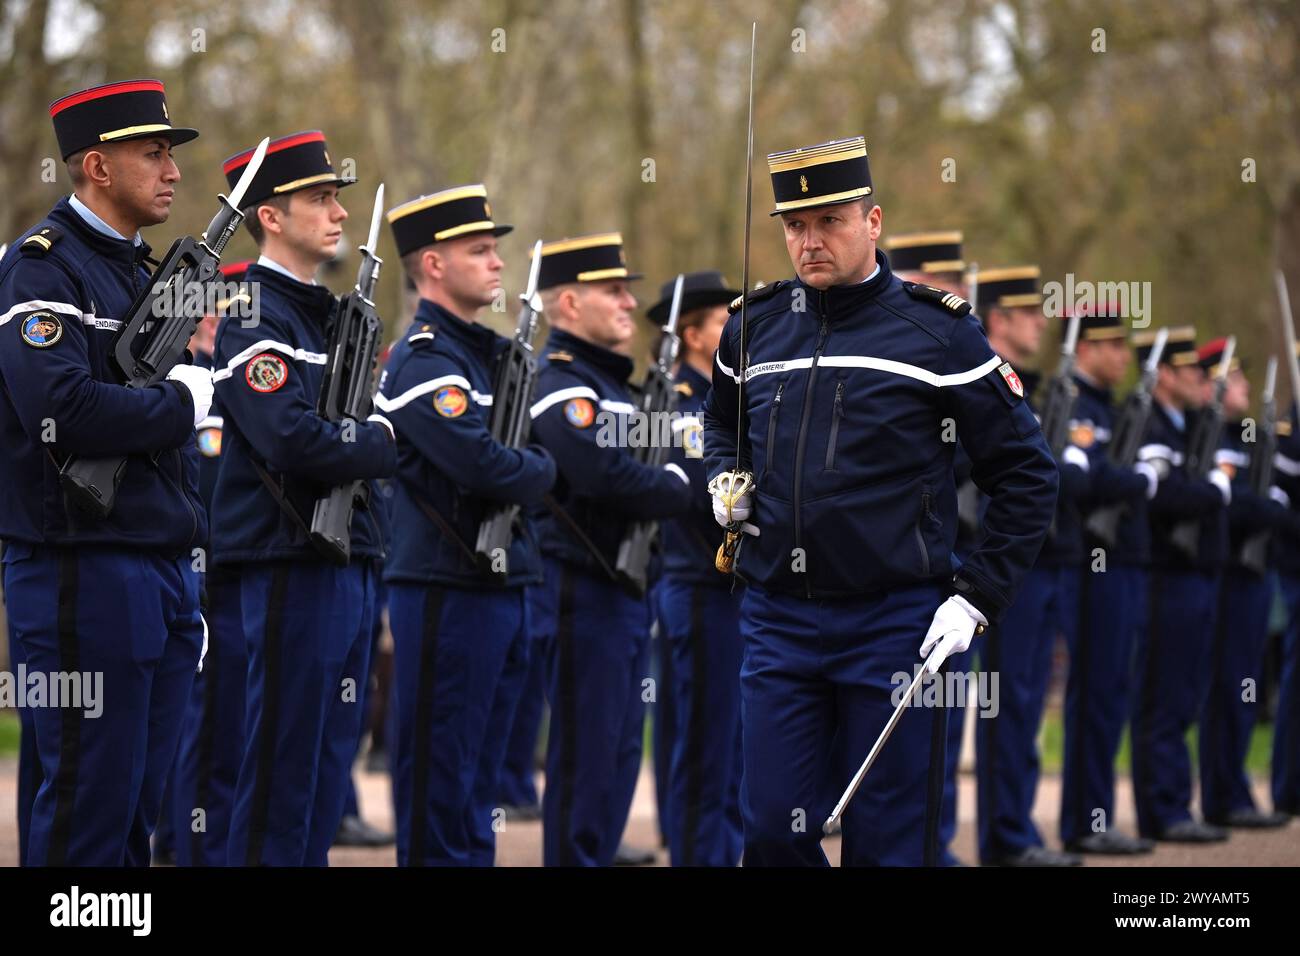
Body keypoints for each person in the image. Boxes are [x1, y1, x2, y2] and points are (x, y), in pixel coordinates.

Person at [702, 136, 1058, 866]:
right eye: (794, 226)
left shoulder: (941, 333)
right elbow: (721, 426)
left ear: (873, 222)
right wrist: (720, 480)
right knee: (772, 830)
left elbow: (1025, 471)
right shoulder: (752, 327)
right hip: (777, 617)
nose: (809, 242)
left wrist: (977, 596)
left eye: (829, 221)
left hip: (894, 623)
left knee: (890, 840)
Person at [0, 79, 212, 866]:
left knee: (136, 812)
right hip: (80, 568)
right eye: (153, 153)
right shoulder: (42, 270)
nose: (173, 171)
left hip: (152, 568)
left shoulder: (135, 274)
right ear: (96, 165)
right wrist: (182, 402)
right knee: (88, 809)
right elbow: (60, 410)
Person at [213, 130, 397, 866]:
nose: (339, 214)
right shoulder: (254, 312)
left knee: (325, 768)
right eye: (319, 199)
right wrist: (378, 443)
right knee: (283, 766)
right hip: (289, 556)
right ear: (271, 217)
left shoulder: (330, 313)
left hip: (348, 554)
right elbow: (290, 438)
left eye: (337, 199)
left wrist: (367, 437)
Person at [374, 184, 555, 865]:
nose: (497, 263)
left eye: (495, 250)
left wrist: (528, 464)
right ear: (432, 265)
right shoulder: (423, 358)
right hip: (445, 589)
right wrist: (538, 469)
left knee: (480, 779)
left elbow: (513, 458)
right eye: (479, 251)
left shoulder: (485, 355)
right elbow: (484, 466)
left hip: (500, 584)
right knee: (441, 779)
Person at [529, 232, 694, 866]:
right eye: (614, 291)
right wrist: (674, 485)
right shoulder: (562, 383)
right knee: (586, 752)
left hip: (623, 588)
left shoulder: (613, 386)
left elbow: (664, 453)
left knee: (621, 750)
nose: (630, 302)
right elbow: (603, 474)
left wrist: (670, 474)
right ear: (567, 304)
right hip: (580, 586)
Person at [970, 270, 1087, 867]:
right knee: (1008, 700)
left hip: (1033, 562)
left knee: (1025, 700)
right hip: (994, 562)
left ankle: (1014, 831)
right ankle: (1005, 838)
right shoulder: (977, 378)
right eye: (1026, 313)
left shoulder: (1021, 384)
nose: (1040, 321)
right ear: (999, 318)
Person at [646, 270, 747, 866]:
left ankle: (724, 852)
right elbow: (695, 491)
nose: (739, 332)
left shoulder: (731, 399)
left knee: (732, 742)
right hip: (698, 585)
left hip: (733, 589)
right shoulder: (677, 404)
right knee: (705, 743)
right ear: (694, 335)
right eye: (724, 323)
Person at [885, 230, 973, 865]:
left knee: (934, 743)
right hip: (894, 574)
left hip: (947, 570)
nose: (962, 295)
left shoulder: (958, 350)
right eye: (950, 281)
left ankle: (933, 850)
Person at [1058, 304, 1158, 855]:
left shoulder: (1109, 407)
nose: (1124, 357)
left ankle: (1093, 818)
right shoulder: (1074, 403)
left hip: (1117, 566)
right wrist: (1138, 479)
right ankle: (1085, 822)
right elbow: (1091, 479)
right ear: (1089, 348)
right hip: (1095, 566)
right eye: (1115, 346)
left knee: (1108, 694)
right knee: (1095, 694)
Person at [1129, 327, 1230, 842]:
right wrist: (1213, 492)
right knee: (1165, 698)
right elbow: (1165, 497)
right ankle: (1163, 810)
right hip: (1168, 575)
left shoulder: (1184, 425)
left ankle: (1172, 804)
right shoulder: (1149, 422)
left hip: (1191, 575)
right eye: (1191, 371)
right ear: (1164, 374)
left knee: (1182, 695)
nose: (1202, 380)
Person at [171, 262, 254, 866]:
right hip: (203, 573)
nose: (221, 318)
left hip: (237, 568)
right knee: (203, 725)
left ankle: (200, 839)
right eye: (217, 307)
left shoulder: (232, 386)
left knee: (229, 723)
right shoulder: (186, 378)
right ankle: (190, 844)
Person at [1195, 338, 1292, 828]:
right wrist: (1269, 507)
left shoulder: (1251, 437)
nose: (1247, 387)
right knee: (1228, 687)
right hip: (1228, 574)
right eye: (1235, 379)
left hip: (1253, 576)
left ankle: (1235, 794)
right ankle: (1222, 797)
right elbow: (1236, 505)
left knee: (1245, 689)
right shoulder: (1213, 436)